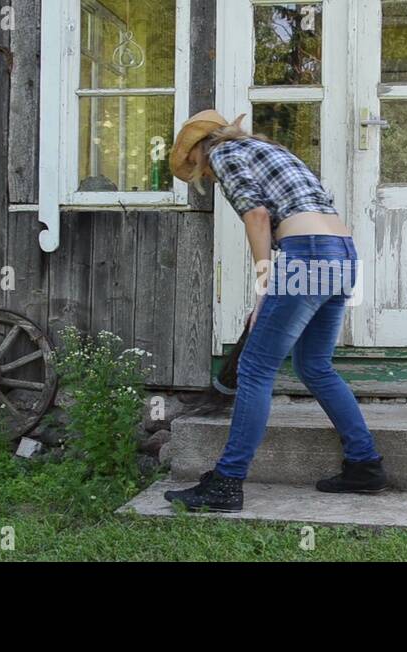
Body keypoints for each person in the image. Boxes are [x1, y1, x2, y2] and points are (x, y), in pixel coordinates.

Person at [163, 110, 388, 512]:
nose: (206, 176)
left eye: (196, 167)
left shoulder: (224, 154)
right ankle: (364, 464)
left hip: (308, 255)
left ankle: (227, 483)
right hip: (343, 255)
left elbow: (257, 215)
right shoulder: (267, 148)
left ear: (200, 149)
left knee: (254, 369)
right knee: (315, 365)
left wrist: (264, 285)